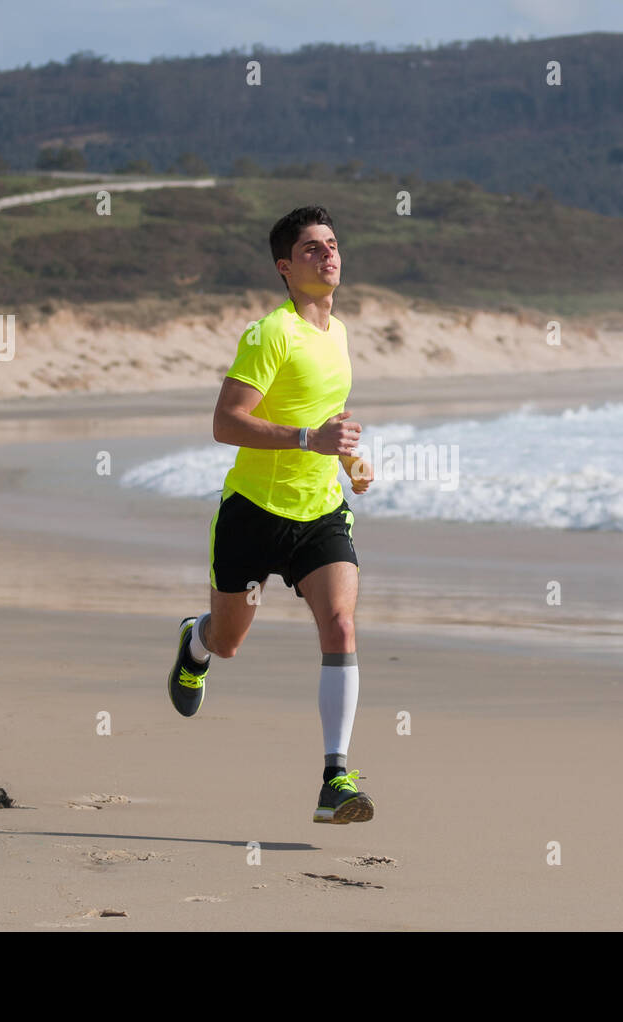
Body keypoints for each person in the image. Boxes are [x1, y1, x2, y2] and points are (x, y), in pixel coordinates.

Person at [167, 205, 376, 824]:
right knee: (229, 643)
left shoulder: (339, 335)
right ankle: (194, 644)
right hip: (254, 515)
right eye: (312, 248)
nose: (329, 255)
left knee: (340, 625)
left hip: (320, 515)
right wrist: (305, 440)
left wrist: (349, 462)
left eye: (333, 244)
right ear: (285, 267)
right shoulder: (270, 334)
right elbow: (225, 422)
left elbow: (327, 422)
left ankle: (335, 779)